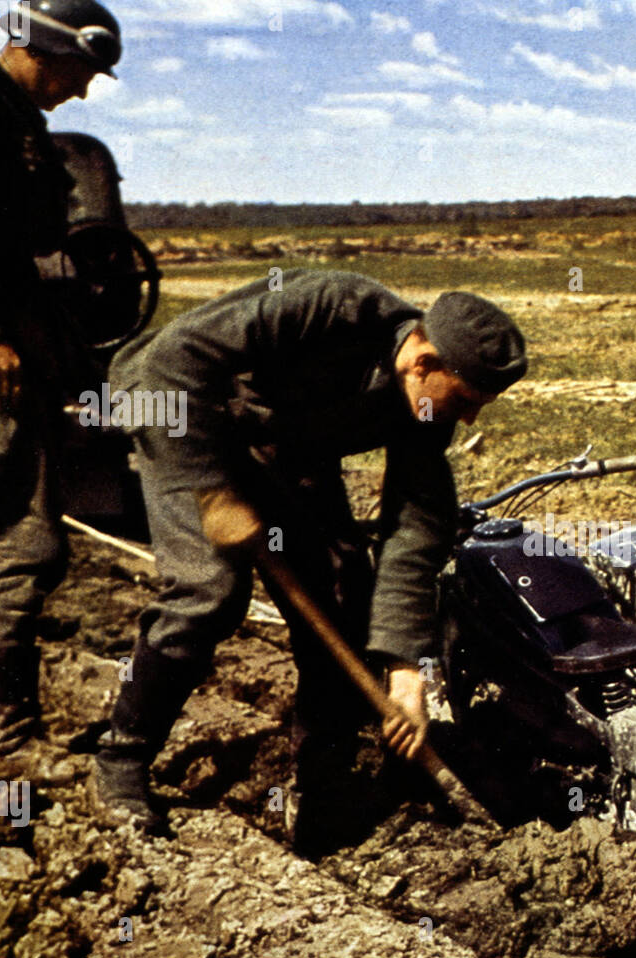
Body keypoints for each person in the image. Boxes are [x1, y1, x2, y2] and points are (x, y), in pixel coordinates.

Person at [91, 270, 527, 847]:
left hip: (282, 449)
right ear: (423, 362)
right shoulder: (336, 307)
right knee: (210, 591)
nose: (468, 420)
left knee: (345, 596)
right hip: (178, 408)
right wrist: (214, 491)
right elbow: (177, 356)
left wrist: (405, 675)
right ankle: (120, 762)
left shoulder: (426, 411)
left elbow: (413, 532)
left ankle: (323, 790)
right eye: (466, 401)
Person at [0, 0, 122, 784]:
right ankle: (3, 743)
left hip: (10, 359)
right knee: (18, 541)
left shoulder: (15, 121)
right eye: (79, 72)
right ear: (43, 48)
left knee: (2, 546)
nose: (81, 91)